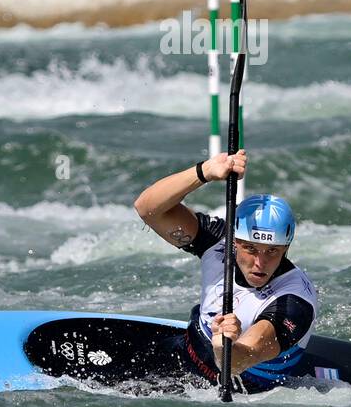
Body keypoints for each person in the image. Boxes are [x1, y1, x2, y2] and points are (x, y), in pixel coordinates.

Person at [133, 150, 319, 393]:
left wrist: (224, 347)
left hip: (240, 387)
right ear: (234, 241)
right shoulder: (218, 242)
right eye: (250, 248)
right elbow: (147, 209)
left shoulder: (293, 301)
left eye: (272, 251)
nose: (260, 263)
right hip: (185, 355)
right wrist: (204, 172)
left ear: (286, 247)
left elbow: (241, 360)